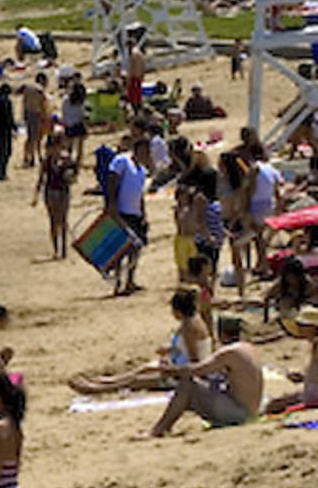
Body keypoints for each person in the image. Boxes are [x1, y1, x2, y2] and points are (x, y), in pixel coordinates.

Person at [69, 290, 211, 394]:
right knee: (143, 369)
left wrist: (171, 369)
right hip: (178, 365)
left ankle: (98, 388)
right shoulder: (191, 321)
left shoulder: (189, 327)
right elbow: (187, 349)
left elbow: (195, 361)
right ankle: (105, 381)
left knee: (137, 380)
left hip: (183, 374)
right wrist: (169, 351)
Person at [150, 318, 263, 436]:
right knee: (197, 389)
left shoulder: (229, 352)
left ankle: (160, 429)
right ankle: (166, 424)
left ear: (222, 334)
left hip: (239, 413)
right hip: (252, 410)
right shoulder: (248, 348)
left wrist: (170, 370)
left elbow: (197, 370)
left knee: (188, 385)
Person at [107, 137, 151, 295]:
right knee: (120, 249)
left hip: (135, 213)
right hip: (122, 211)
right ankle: (118, 282)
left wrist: (144, 214)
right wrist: (111, 204)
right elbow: (112, 181)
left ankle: (130, 281)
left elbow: (140, 194)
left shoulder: (141, 170)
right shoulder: (122, 161)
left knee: (135, 248)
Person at [31, 130, 74, 259]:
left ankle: (64, 249)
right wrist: (36, 195)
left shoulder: (67, 159)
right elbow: (41, 178)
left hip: (63, 191)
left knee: (63, 219)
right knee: (53, 220)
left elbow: (73, 176)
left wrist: (70, 176)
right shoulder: (47, 161)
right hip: (51, 191)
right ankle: (57, 249)